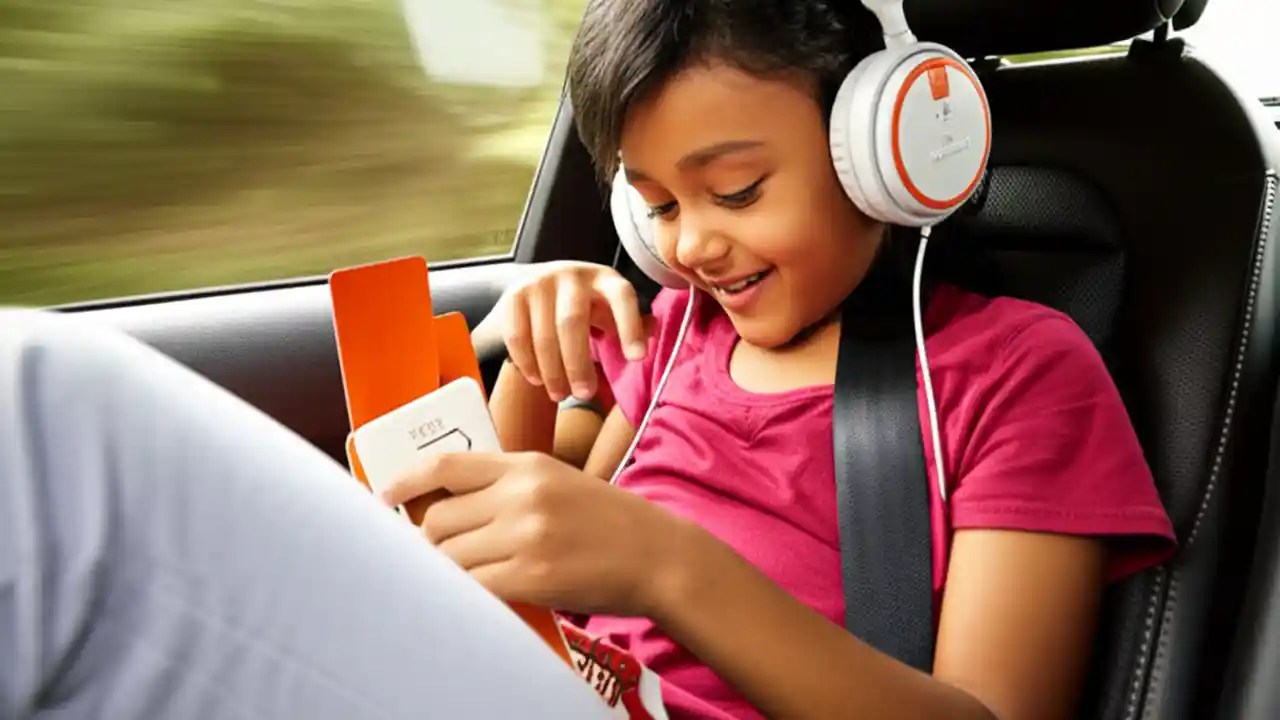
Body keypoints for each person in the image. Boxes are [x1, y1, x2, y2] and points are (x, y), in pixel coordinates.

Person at [0, 2, 1175, 719]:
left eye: (734, 190)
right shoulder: (677, 339)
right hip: (540, 674)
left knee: (39, 409)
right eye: (655, 205)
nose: (689, 244)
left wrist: (668, 567)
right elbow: (510, 543)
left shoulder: (1017, 372)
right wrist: (530, 352)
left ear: (882, 150)